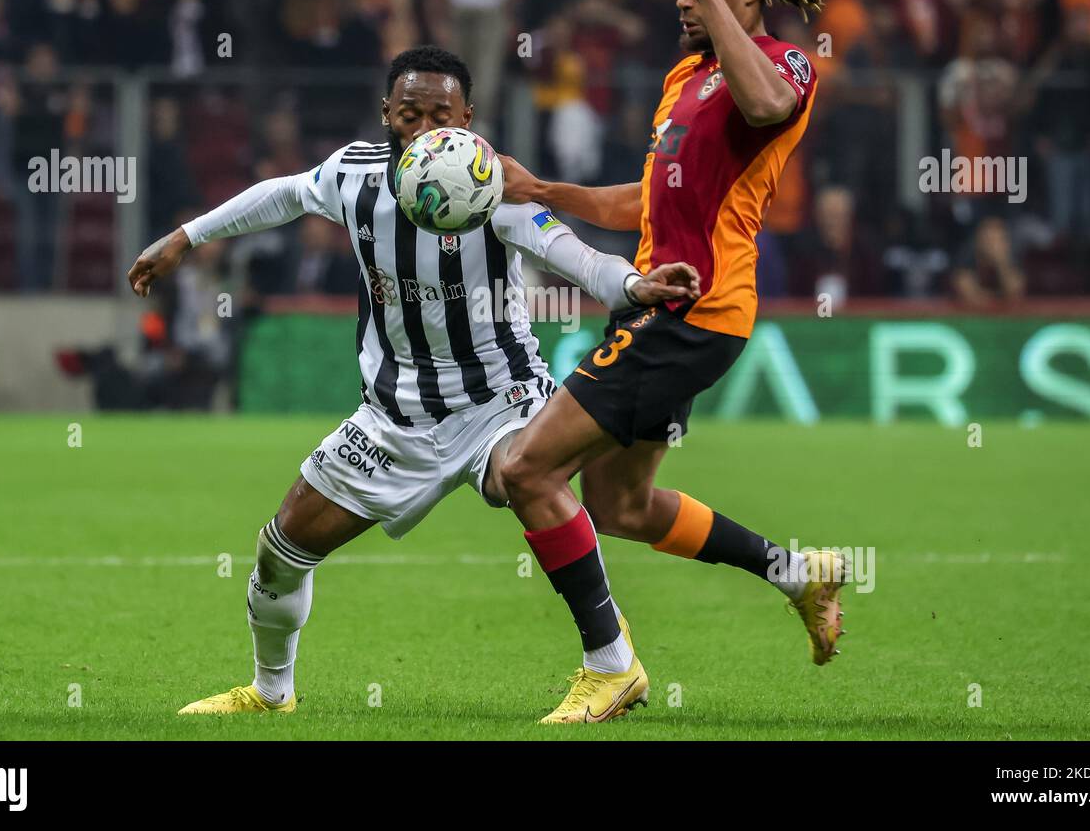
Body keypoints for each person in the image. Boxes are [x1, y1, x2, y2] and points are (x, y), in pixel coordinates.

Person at [126, 46, 699, 723]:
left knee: (527, 476)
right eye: (409, 114)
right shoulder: (353, 177)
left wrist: (634, 285)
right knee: (280, 549)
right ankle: (270, 693)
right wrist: (186, 236)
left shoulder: (494, 190)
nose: (424, 129)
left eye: (440, 114)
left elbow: (571, 255)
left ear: (468, 117)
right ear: (386, 115)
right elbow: (282, 194)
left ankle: (610, 663)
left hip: (500, 401)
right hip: (393, 419)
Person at [499, 0, 849, 668]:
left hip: (697, 313)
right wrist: (544, 189)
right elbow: (648, 200)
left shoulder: (787, 65)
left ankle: (608, 669)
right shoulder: (686, 77)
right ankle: (797, 573)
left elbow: (765, 108)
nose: (683, 0)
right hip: (663, 304)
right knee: (620, 505)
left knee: (522, 470)